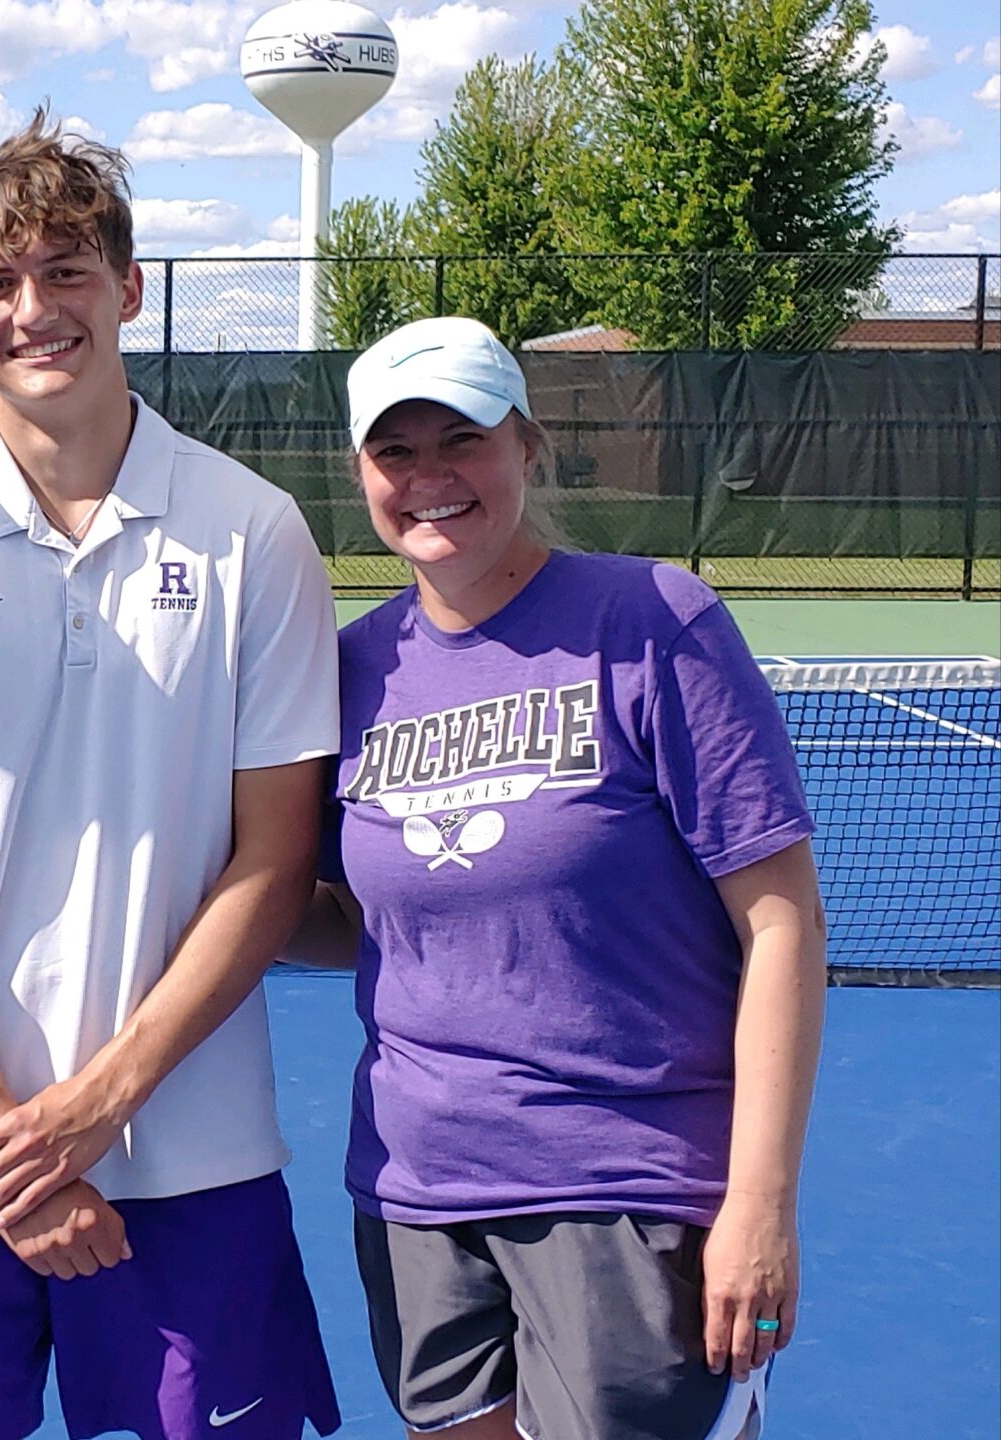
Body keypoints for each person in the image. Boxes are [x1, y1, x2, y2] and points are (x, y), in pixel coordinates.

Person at [0, 112, 343, 1440]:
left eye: (65, 271)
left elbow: (275, 861)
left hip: (195, 1160)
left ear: (129, 290)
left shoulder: (253, 533)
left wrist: (103, 1103)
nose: (33, 310)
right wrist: (18, 1156)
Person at [313, 316, 827, 1440]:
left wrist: (760, 1203)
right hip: (416, 1185)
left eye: (463, 438)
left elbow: (782, 924)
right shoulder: (354, 669)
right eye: (395, 452)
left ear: (528, 448)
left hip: (624, 1188)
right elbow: (347, 918)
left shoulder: (653, 621)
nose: (430, 477)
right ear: (360, 473)